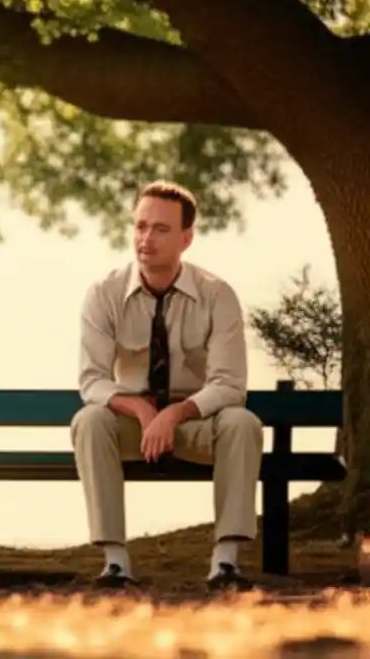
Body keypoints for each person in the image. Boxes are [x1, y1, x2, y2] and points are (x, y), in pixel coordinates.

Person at [71, 181, 263, 590]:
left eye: (160, 229)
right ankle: (115, 563)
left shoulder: (217, 295)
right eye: (140, 226)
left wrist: (175, 414)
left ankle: (225, 562)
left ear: (186, 238)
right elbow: (92, 380)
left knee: (242, 423)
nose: (146, 239)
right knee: (89, 421)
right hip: (133, 426)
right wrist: (142, 410)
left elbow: (229, 384)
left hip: (195, 423)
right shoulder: (104, 294)